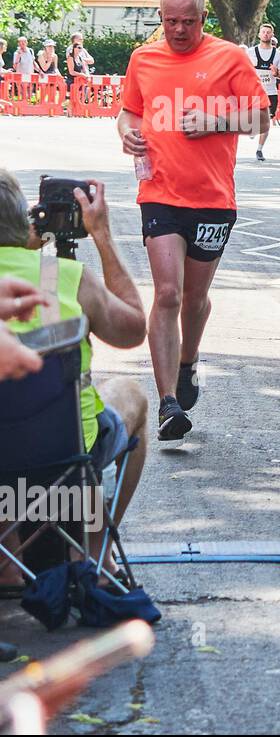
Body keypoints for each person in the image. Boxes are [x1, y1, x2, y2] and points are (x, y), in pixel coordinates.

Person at [116, 0, 268, 439]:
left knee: (195, 299)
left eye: (187, 21)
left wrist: (216, 121)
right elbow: (129, 110)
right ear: (159, 18)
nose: (178, 30)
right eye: (169, 21)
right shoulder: (144, 57)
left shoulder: (229, 57)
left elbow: (262, 118)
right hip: (159, 192)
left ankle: (189, 360)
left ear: (203, 16)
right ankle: (167, 404)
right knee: (167, 293)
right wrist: (125, 130)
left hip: (213, 198)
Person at [0, 173, 149, 578]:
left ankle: (8, 563)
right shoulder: (61, 277)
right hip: (60, 462)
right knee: (131, 395)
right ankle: (96, 551)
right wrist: (102, 236)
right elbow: (134, 329)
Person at [246, 22, 280, 161]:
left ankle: (259, 149)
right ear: (259, 34)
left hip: (271, 91)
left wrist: (276, 73)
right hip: (254, 91)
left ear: (272, 35)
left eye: (268, 32)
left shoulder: (278, 54)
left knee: (267, 120)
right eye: (263, 32)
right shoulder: (250, 52)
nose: (266, 34)